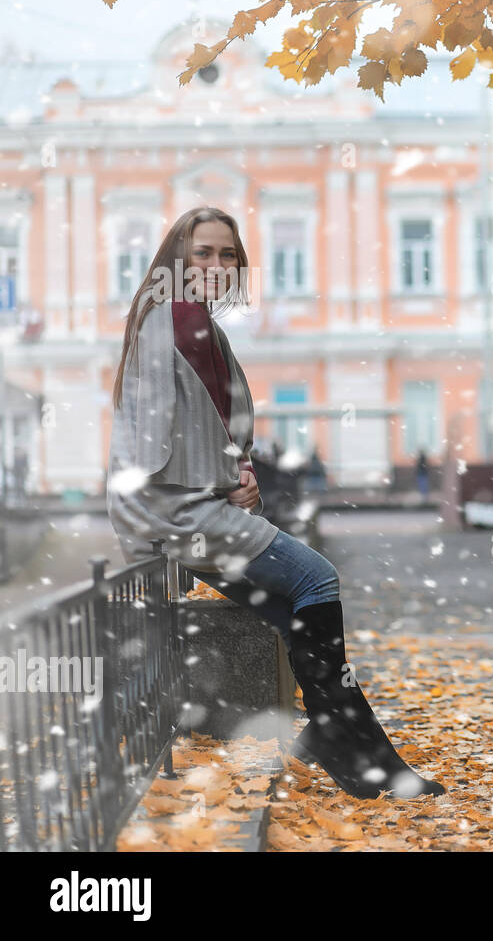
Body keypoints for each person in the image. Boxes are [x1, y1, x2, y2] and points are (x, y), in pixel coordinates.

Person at [105, 206, 445, 800]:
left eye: (227, 254)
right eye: (202, 253)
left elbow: (213, 429)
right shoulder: (180, 320)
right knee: (317, 578)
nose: (216, 265)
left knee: (294, 616)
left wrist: (239, 474)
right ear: (178, 262)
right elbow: (154, 443)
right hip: (179, 518)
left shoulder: (186, 320)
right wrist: (224, 481)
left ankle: (352, 744)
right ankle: (339, 736)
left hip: (177, 517)